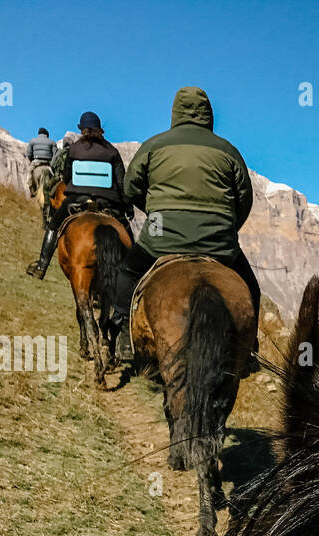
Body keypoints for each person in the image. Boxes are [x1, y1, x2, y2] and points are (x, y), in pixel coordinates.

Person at [109, 87, 261, 357]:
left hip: (161, 237)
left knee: (128, 273)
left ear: (175, 112)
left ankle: (121, 333)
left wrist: (154, 211)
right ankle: (248, 349)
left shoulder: (155, 145)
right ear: (209, 115)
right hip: (218, 242)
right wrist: (226, 227)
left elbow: (131, 188)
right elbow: (244, 200)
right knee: (251, 288)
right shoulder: (229, 151)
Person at [26, 112, 130, 279]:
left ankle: (41, 265)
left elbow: (66, 177)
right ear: (100, 130)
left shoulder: (74, 149)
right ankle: (131, 273)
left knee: (53, 225)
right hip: (108, 201)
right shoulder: (112, 151)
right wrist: (127, 207)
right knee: (126, 232)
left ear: (82, 130)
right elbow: (121, 183)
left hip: (78, 199)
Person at [25, 126, 56, 199]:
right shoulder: (52, 142)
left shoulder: (32, 141)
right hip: (48, 164)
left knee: (29, 176)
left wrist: (32, 160)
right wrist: (52, 163)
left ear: (39, 134)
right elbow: (55, 155)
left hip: (36, 162)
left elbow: (29, 154)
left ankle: (32, 192)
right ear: (47, 135)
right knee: (56, 178)